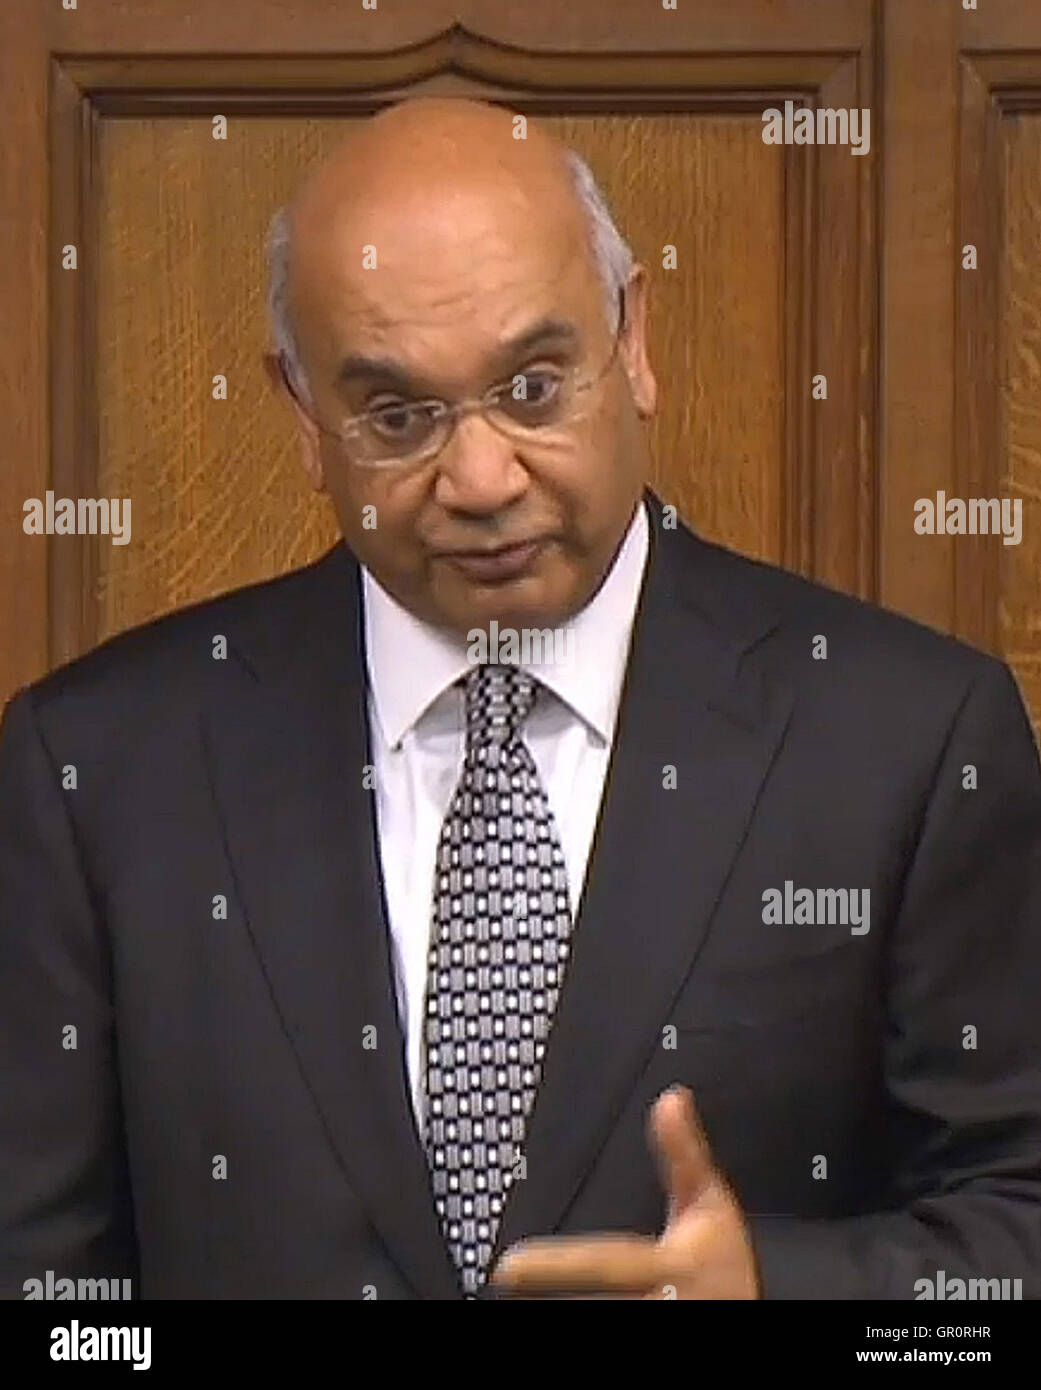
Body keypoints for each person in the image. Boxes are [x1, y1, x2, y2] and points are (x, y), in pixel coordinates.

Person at [1, 96, 1039, 1301]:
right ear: (300, 414)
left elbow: (1016, 1235)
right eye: (398, 417)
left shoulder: (906, 741)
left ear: (634, 341)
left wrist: (780, 1298)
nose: (483, 478)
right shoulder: (101, 771)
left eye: (535, 388)